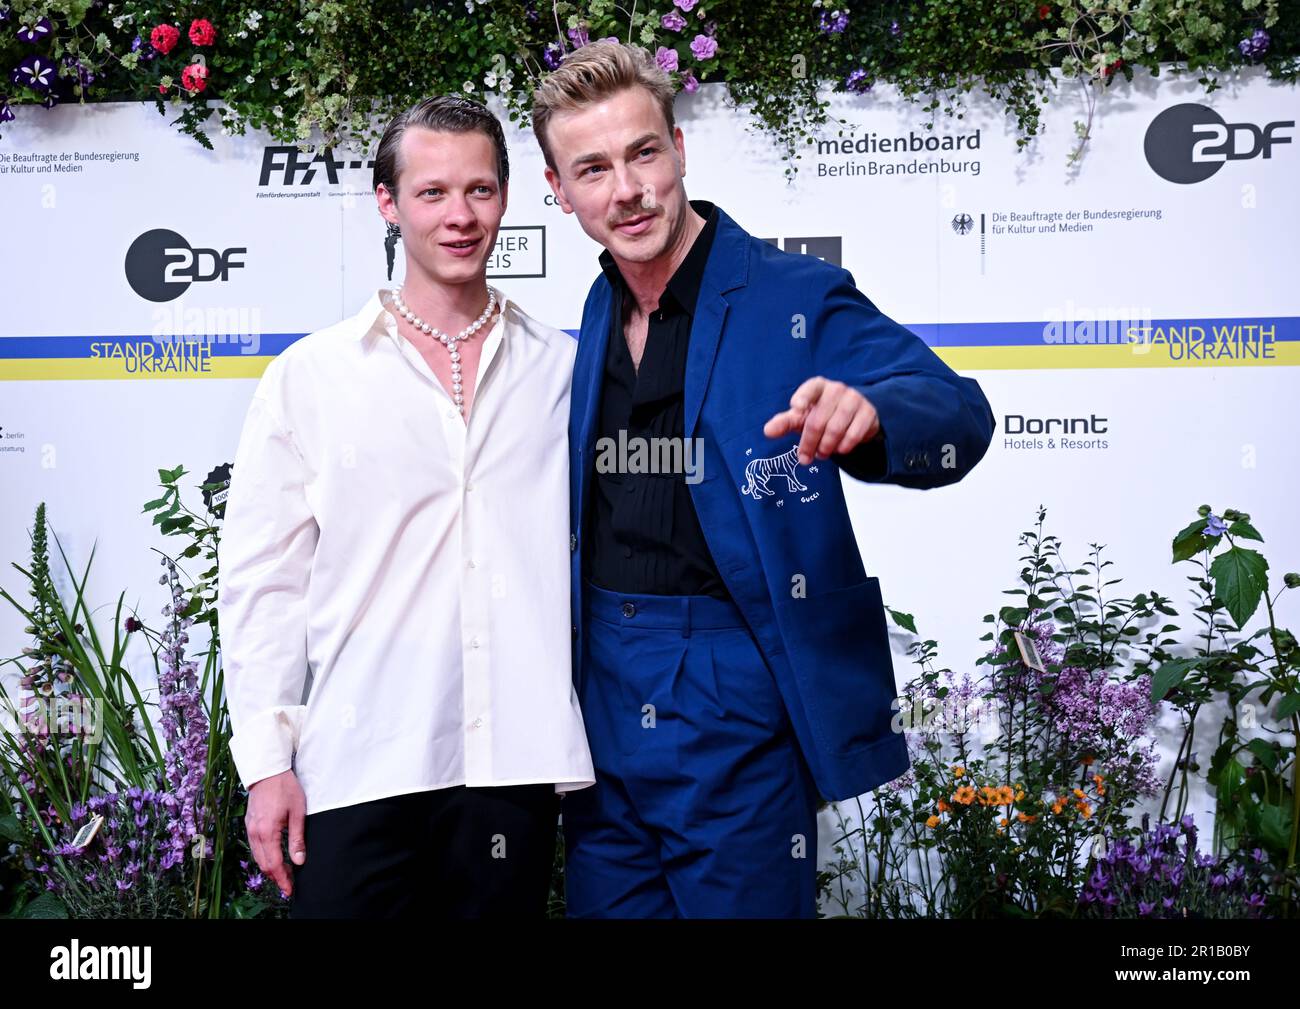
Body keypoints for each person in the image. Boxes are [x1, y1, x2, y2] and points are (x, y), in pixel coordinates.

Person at [530, 42, 996, 918]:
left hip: (729, 679)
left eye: (642, 154)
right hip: (598, 694)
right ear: (560, 192)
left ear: (677, 147)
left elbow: (958, 414)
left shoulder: (794, 291)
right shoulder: (595, 310)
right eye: (592, 169)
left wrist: (873, 413)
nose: (626, 189)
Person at [217, 95, 594, 919]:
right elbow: (262, 584)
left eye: (480, 191)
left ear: (506, 196)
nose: (460, 216)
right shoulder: (311, 377)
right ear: (387, 203)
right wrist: (266, 762)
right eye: (431, 193)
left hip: (512, 769)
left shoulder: (566, 370)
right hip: (358, 765)